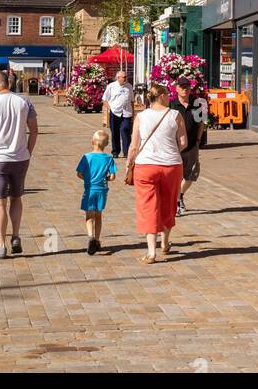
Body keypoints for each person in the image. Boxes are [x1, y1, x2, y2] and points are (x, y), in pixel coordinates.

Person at [0, 68, 39, 259]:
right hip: (20, 157)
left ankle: (1, 245)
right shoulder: (24, 101)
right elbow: (34, 130)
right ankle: (16, 236)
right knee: (17, 198)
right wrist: (28, 151)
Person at [126, 80, 187, 264]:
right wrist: (170, 150)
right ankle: (165, 242)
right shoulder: (175, 115)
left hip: (146, 166)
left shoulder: (141, 116)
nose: (170, 97)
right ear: (161, 96)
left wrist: (129, 164)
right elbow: (183, 143)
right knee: (168, 204)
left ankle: (151, 252)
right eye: (168, 94)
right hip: (171, 165)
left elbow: (133, 146)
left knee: (148, 207)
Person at [76, 128, 117, 254]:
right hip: (102, 190)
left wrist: (87, 179)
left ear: (92, 141)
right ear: (106, 144)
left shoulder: (86, 157)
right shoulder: (109, 159)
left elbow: (79, 174)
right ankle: (97, 240)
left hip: (89, 190)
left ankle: (90, 237)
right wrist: (105, 179)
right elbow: (112, 176)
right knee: (98, 215)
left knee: (89, 216)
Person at [170, 77, 206, 214]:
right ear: (177, 89)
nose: (185, 89)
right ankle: (176, 200)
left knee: (192, 174)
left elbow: (201, 123)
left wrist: (198, 140)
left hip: (192, 145)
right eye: (182, 87)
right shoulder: (172, 105)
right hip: (175, 146)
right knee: (176, 175)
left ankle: (179, 195)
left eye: (187, 87)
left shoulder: (196, 104)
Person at [102, 69, 135, 159]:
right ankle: (115, 151)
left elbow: (132, 101)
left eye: (126, 77)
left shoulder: (129, 86)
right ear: (118, 78)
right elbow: (104, 99)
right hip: (115, 113)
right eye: (123, 77)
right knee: (115, 133)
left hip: (126, 113)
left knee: (125, 130)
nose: (125, 79)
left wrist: (133, 114)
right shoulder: (111, 86)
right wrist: (110, 108)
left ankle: (126, 152)